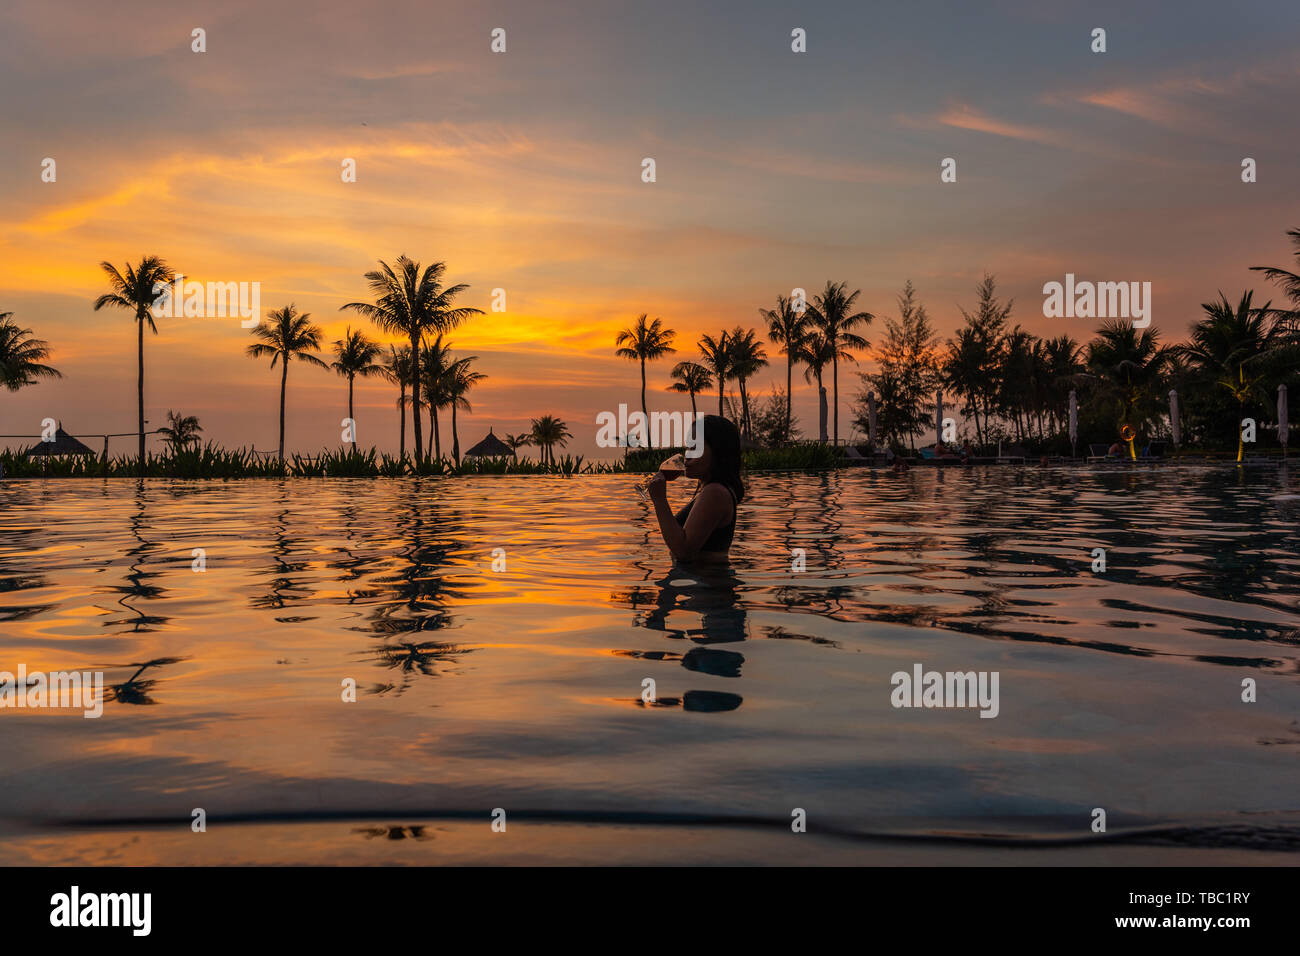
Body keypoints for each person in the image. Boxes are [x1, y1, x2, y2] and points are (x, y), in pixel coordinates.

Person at [645, 414, 743, 561]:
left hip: (703, 581)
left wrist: (660, 501)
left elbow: (684, 551)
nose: (688, 455)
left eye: (696, 447)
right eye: (689, 447)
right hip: (697, 580)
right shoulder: (710, 490)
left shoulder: (715, 493)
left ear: (718, 451)